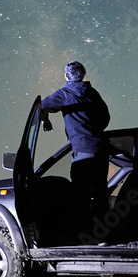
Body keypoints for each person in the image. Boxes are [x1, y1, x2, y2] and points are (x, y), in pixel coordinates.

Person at [40, 61, 111, 233]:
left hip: (82, 152)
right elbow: (106, 117)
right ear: (84, 74)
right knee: (101, 194)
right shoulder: (93, 93)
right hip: (101, 150)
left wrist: (46, 118)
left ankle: (84, 236)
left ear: (66, 76)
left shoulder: (65, 93)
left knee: (81, 196)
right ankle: (105, 235)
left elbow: (40, 107)